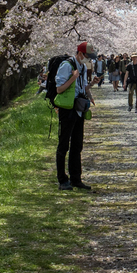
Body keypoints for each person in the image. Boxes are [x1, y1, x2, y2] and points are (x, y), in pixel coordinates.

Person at [54, 41, 96, 190]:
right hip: (67, 108)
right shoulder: (67, 66)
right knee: (64, 144)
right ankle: (62, 180)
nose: (89, 59)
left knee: (77, 145)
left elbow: (82, 87)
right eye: (87, 56)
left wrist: (90, 88)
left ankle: (76, 178)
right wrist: (72, 78)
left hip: (78, 108)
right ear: (80, 53)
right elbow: (59, 89)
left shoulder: (83, 67)